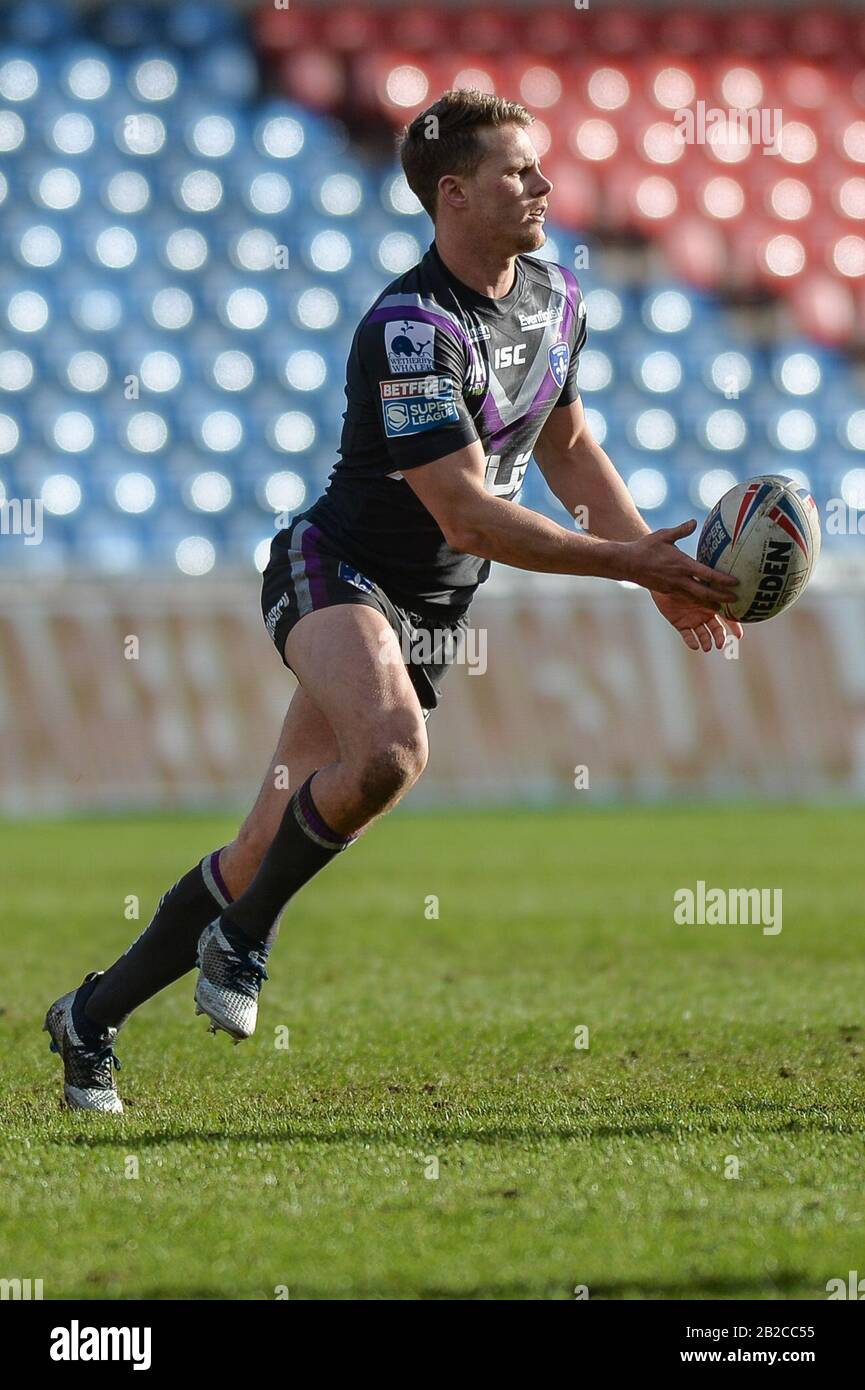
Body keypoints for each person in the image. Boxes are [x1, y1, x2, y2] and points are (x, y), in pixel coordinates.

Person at [44, 89, 740, 1112]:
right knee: (391, 749)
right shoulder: (411, 329)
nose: (543, 186)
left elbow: (567, 444)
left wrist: (644, 558)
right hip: (337, 572)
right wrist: (634, 566)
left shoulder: (555, 296)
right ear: (452, 194)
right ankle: (241, 942)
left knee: (260, 846)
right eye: (516, 172)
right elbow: (464, 515)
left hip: (429, 612)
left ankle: (91, 1015)